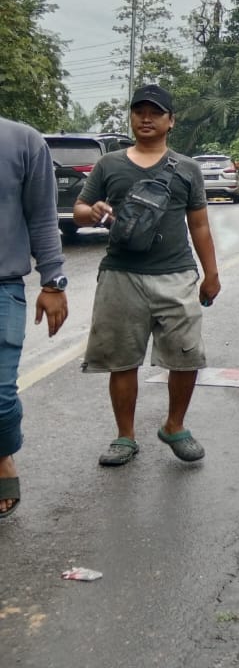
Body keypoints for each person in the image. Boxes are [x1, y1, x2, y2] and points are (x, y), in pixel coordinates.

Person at [74, 84, 220, 466]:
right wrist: (92, 212)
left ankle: (174, 425)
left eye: (155, 112)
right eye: (139, 111)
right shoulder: (110, 165)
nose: (146, 118)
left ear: (171, 121)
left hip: (176, 274)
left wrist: (212, 274)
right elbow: (79, 209)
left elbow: (200, 226)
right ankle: (125, 437)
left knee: (187, 356)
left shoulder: (187, 168)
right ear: (132, 118)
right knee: (122, 360)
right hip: (121, 274)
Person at [0, 116, 69, 518]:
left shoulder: (24, 141)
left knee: (1, 398)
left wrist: (53, 282)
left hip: (4, 286)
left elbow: (43, 217)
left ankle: (3, 453)